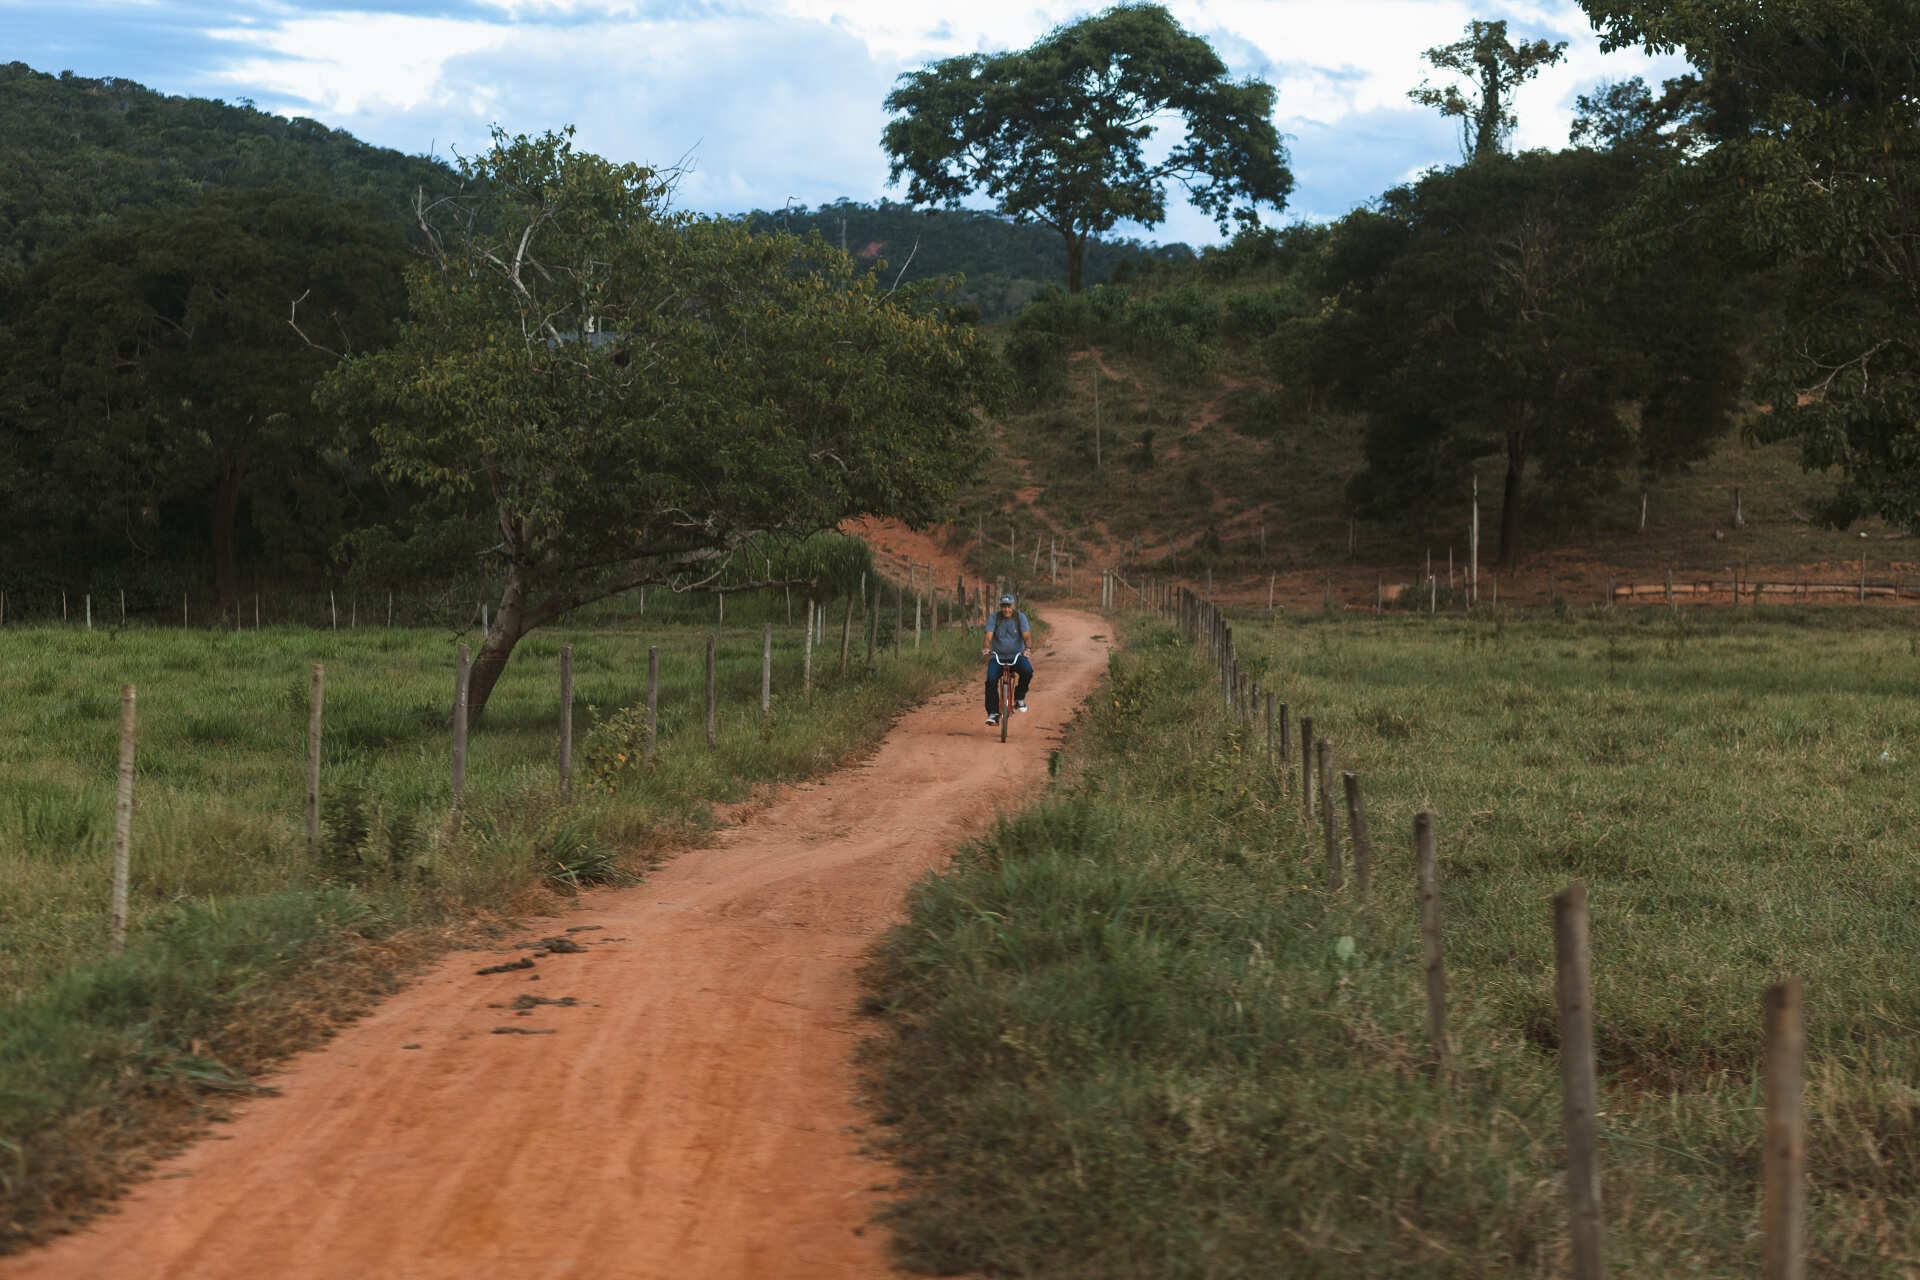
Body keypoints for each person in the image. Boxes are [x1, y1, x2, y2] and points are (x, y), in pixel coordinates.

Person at [981, 593, 1033, 726]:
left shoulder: (1020, 617)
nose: (1006, 609)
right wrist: (986, 648)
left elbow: (1026, 637)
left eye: (1009, 606)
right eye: (1004, 606)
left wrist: (1027, 649)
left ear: (1013, 606)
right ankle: (993, 713)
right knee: (991, 680)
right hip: (998, 657)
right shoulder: (994, 618)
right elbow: (988, 637)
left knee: (1028, 671)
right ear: (1000, 606)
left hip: (1017, 656)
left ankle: (1019, 697)